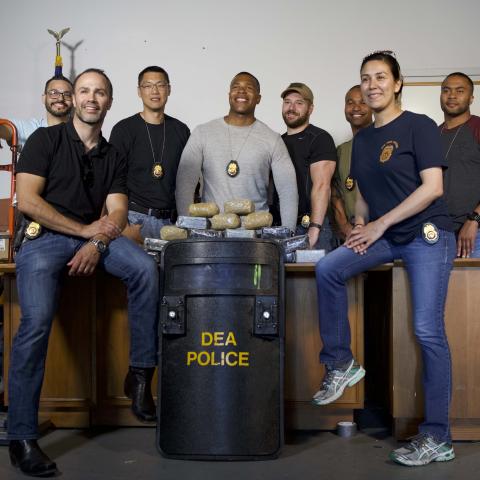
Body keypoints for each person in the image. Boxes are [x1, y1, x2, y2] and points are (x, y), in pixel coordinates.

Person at [8, 69, 159, 477]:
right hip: (44, 239)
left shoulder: (114, 154)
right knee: (36, 321)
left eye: (100, 92)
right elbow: (28, 201)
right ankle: (22, 437)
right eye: (85, 91)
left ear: (109, 102)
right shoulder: (45, 141)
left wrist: (98, 242)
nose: (92, 98)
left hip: (94, 237)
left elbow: (118, 210)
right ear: (74, 99)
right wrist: (83, 233)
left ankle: (140, 375)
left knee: (145, 268)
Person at [312, 51, 456, 466]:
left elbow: (433, 187)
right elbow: (365, 195)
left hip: (427, 234)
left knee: (427, 330)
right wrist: (361, 223)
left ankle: (438, 436)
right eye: (365, 78)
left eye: (380, 77)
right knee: (329, 268)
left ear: (397, 83)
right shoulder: (363, 140)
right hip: (387, 234)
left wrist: (379, 225)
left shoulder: (418, 126)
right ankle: (341, 363)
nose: (372, 85)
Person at [175, 72, 298, 230]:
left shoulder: (272, 139)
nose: (241, 91)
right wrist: (187, 227)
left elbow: (288, 190)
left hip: (255, 235)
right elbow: (185, 183)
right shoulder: (203, 132)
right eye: (236, 87)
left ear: (258, 98)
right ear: (229, 95)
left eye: (249, 88)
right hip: (212, 234)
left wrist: (288, 233)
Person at [110, 66, 189, 242]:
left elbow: (187, 180)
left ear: (169, 89)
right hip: (134, 220)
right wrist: (123, 226)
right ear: (139, 91)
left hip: (173, 223)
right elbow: (112, 181)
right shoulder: (123, 130)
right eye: (147, 86)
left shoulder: (181, 130)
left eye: (160, 85)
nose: (154, 91)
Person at [279, 83, 337, 249]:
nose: (291, 108)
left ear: (310, 109)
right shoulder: (278, 141)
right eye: (287, 102)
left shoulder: (320, 138)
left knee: (313, 268)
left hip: (310, 227)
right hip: (281, 228)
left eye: (299, 103)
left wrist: (314, 228)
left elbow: (322, 186)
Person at [439, 72, 480, 258]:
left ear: (471, 98)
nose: (452, 96)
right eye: (446, 90)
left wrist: (474, 220)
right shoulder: (433, 134)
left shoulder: (477, 127)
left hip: (474, 233)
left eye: (460, 91)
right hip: (439, 232)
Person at [332, 85, 372, 243]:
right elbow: (335, 194)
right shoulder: (341, 151)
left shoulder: (386, 144)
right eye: (350, 102)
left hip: (382, 231)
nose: (356, 107)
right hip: (351, 234)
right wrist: (345, 227)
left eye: (363, 102)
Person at [0, 75, 73, 149]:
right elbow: (4, 128)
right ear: (44, 98)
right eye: (54, 93)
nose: (60, 98)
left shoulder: (79, 129)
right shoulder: (30, 129)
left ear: (74, 100)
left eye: (67, 94)